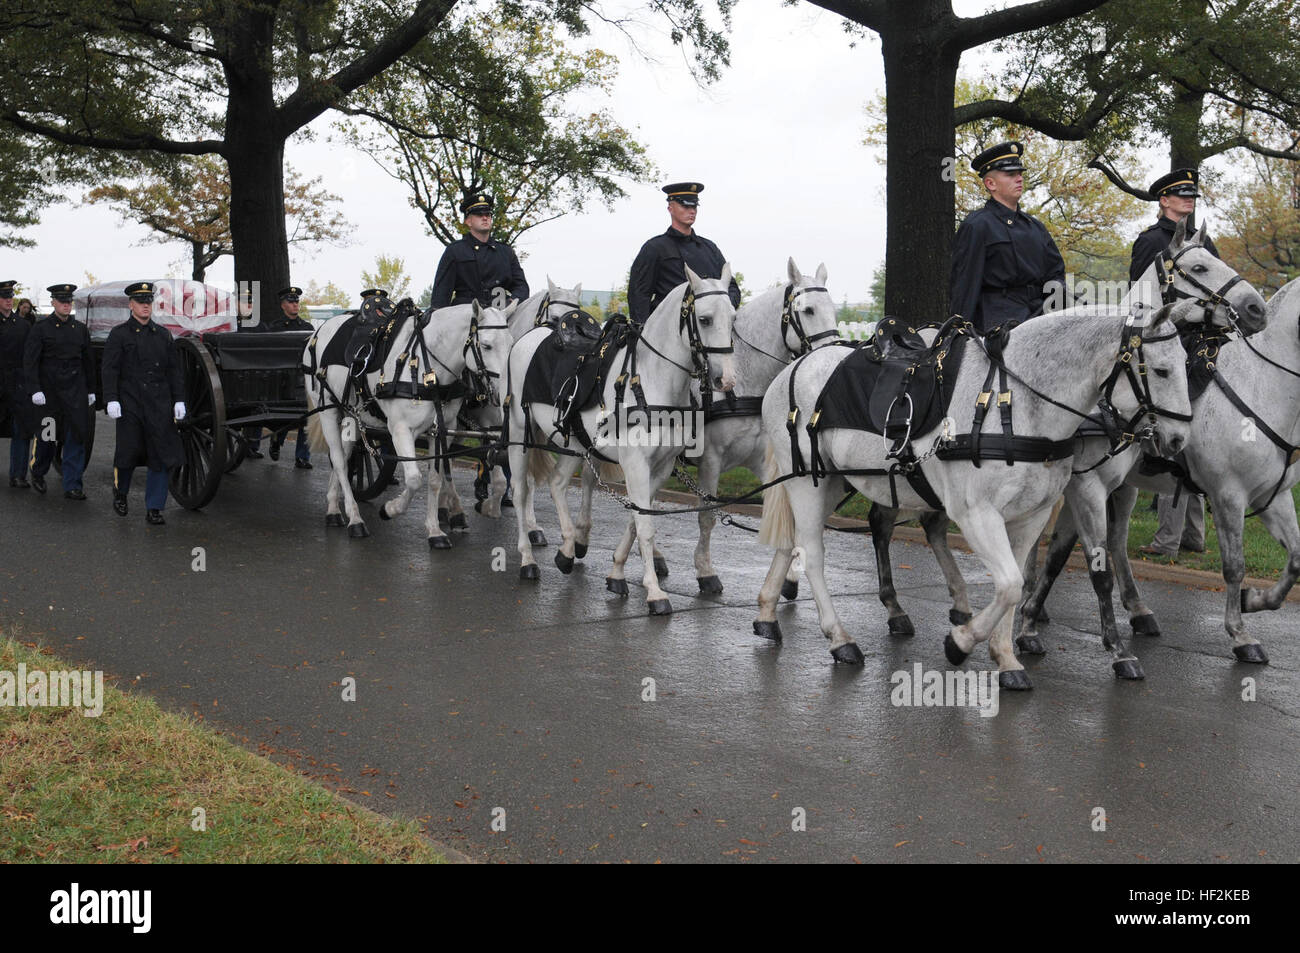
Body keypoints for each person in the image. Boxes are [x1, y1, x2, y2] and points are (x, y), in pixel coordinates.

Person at [1133, 168, 1215, 558]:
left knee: (1191, 437)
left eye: (1192, 196)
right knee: (1170, 440)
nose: (1189, 200)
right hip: (1167, 348)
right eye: (1181, 195)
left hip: (1198, 348)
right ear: (1163, 200)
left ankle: (1192, 537)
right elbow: (1141, 300)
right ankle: (1169, 538)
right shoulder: (1151, 242)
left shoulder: (1203, 243)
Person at [950, 141, 1066, 334]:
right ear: (991, 183)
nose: (1019, 179)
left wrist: (1054, 302)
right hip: (996, 322)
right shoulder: (977, 225)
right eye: (1011, 175)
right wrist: (958, 332)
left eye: (1020, 174)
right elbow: (964, 286)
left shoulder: (1035, 227)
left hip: (1041, 315)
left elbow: (1055, 273)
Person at [101, 281, 186, 525]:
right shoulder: (119, 335)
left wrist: (179, 400)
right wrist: (112, 399)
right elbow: (110, 370)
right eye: (140, 302)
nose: (145, 306)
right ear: (131, 305)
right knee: (128, 452)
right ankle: (121, 492)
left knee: (159, 455)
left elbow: (173, 371)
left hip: (159, 404)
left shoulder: (162, 335)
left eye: (148, 302)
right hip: (130, 403)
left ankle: (154, 507)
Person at [627, 181, 741, 327]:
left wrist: (720, 307)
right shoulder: (654, 248)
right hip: (667, 334)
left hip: (711, 334)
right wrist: (642, 332)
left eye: (694, 206)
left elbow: (731, 287)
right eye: (685, 206)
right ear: (670, 208)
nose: (691, 211)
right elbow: (639, 294)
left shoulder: (710, 248)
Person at [23, 283, 95, 499]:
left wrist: (90, 390)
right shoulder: (41, 329)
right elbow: (30, 362)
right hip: (50, 395)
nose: (66, 305)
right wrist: (34, 389)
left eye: (69, 302)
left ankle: (72, 484)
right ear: (53, 302)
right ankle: (38, 471)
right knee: (47, 438)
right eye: (62, 301)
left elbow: (88, 362)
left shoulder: (80, 330)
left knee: (76, 438)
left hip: (74, 394)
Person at [430, 193, 529, 309]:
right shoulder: (455, 251)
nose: (485, 217)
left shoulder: (506, 252)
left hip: (502, 315)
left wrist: (512, 302)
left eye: (488, 214)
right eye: (479, 214)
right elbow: (441, 296)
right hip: (465, 318)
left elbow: (521, 287)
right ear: (468, 221)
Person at [251, 286, 313, 469]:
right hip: (280, 380)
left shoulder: (308, 328)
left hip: (300, 380)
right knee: (285, 417)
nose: (295, 305)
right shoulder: (274, 328)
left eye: (296, 301)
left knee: (307, 416)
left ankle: (302, 457)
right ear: (283, 305)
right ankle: (276, 439)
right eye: (291, 302)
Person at [0, 281, 37, 488]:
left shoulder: (23, 325)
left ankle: (18, 475)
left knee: (21, 431)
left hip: (17, 385)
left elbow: (29, 357)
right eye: (4, 297)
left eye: (9, 297)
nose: (7, 300)